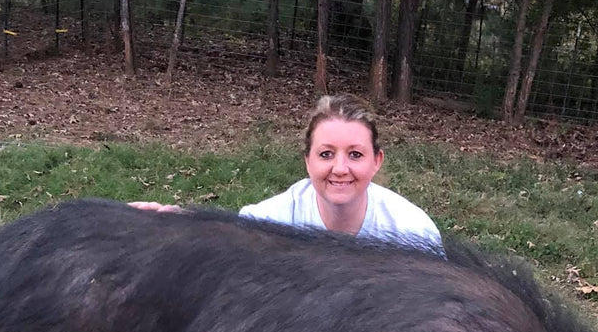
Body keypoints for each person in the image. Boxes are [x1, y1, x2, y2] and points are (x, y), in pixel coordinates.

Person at [131, 94, 443, 252]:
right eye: (326, 154)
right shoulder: (278, 217)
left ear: (376, 161)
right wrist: (176, 219)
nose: (340, 168)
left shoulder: (413, 233)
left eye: (356, 154)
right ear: (307, 161)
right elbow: (225, 236)